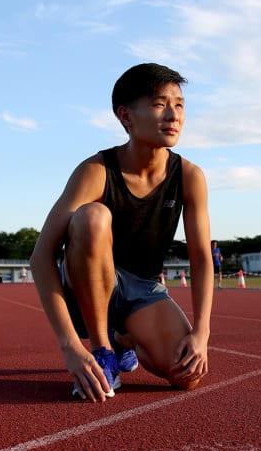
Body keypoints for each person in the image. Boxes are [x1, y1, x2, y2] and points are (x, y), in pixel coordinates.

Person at [30, 63, 213, 402]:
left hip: (142, 288)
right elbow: (41, 256)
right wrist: (70, 346)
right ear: (126, 116)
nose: (173, 115)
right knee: (93, 217)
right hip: (83, 286)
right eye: (160, 104)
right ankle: (103, 350)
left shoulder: (189, 176)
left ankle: (123, 337)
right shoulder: (96, 171)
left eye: (180, 104)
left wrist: (201, 333)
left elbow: (201, 257)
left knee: (184, 375)